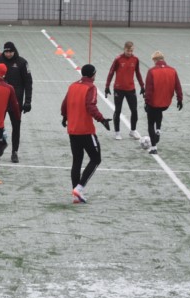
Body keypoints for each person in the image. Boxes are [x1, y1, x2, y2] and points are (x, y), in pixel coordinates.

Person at [61, 64, 111, 204]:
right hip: (86, 130)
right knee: (96, 159)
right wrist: (101, 119)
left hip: (72, 129)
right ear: (93, 75)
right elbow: (90, 106)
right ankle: (80, 187)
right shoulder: (91, 87)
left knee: (77, 160)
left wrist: (65, 117)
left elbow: (65, 104)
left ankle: (75, 194)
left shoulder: (72, 86)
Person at [0, 41, 33, 163]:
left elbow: (28, 83)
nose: (8, 54)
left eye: (10, 52)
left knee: (16, 126)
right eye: (6, 51)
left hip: (16, 102)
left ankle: (15, 152)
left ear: (14, 51)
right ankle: (0, 145)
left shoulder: (22, 63)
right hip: (0, 101)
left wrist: (28, 101)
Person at [142, 51, 183, 155]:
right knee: (159, 112)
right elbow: (178, 86)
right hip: (165, 103)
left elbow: (149, 89)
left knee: (151, 123)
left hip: (153, 102)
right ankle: (159, 130)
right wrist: (179, 99)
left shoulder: (152, 71)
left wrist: (146, 102)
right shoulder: (172, 70)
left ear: (155, 60)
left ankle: (154, 147)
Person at [104, 40, 145, 140]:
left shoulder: (135, 59)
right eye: (128, 50)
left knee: (134, 110)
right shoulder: (118, 59)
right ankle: (117, 133)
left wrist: (142, 86)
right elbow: (111, 72)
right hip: (118, 89)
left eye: (131, 51)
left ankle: (133, 131)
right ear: (124, 49)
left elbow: (138, 73)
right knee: (118, 110)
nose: (129, 53)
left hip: (131, 89)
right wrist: (107, 86)